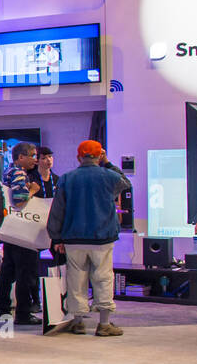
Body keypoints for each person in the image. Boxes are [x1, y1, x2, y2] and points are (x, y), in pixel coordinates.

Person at [45, 140, 132, 337]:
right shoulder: (109, 176)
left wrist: (56, 238)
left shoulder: (67, 178)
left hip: (73, 239)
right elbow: (125, 183)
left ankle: (78, 322)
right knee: (103, 278)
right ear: (100, 155)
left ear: (79, 157)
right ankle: (104, 324)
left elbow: (57, 210)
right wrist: (108, 163)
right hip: (102, 238)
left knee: (76, 280)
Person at [0, 142, 43, 325]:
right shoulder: (19, 173)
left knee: (8, 271)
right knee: (25, 274)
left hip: (10, 232)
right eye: (32, 155)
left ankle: (3, 309)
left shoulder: (6, 172)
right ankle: (23, 313)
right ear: (21, 157)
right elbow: (20, 201)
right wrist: (33, 190)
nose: (35, 159)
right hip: (22, 233)